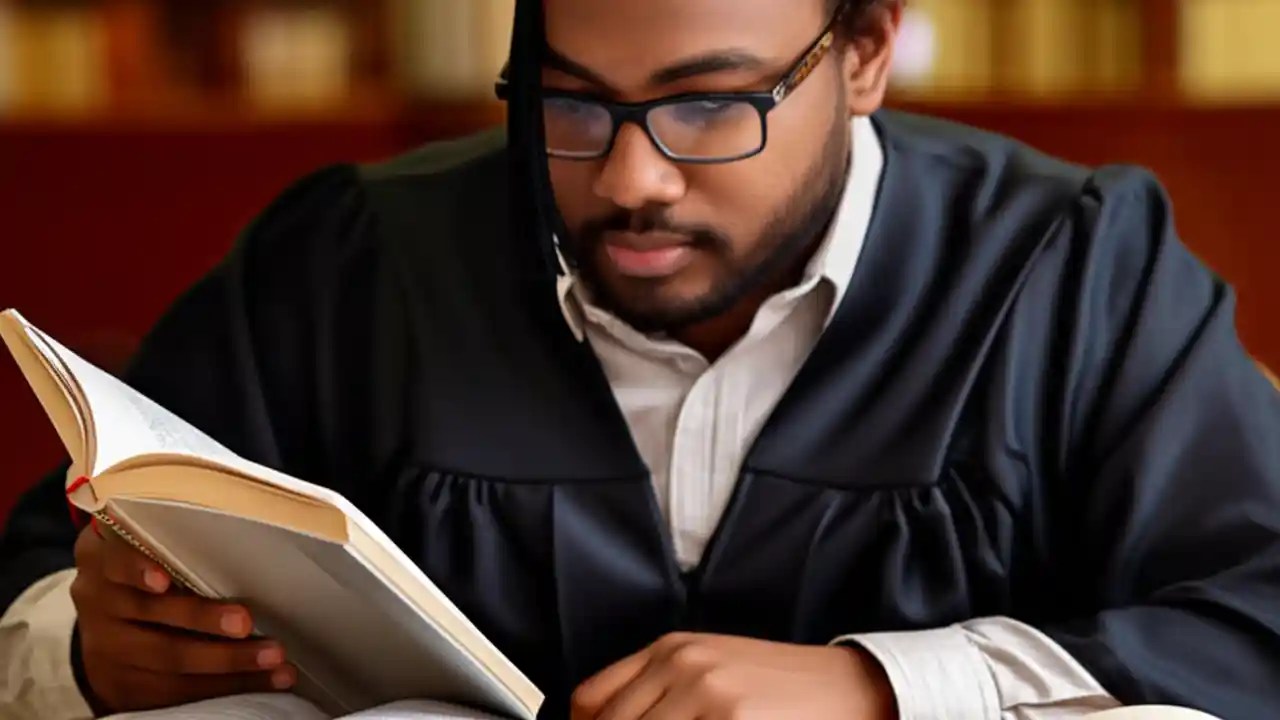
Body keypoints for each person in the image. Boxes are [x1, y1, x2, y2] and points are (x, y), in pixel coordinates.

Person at [2, 0, 1278, 718]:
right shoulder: (355, 261)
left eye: (710, 103)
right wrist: (89, 652)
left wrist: (875, 689)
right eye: (564, 103)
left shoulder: (1070, 270)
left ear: (868, 50)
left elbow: (1257, 618)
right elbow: (39, 573)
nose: (630, 178)